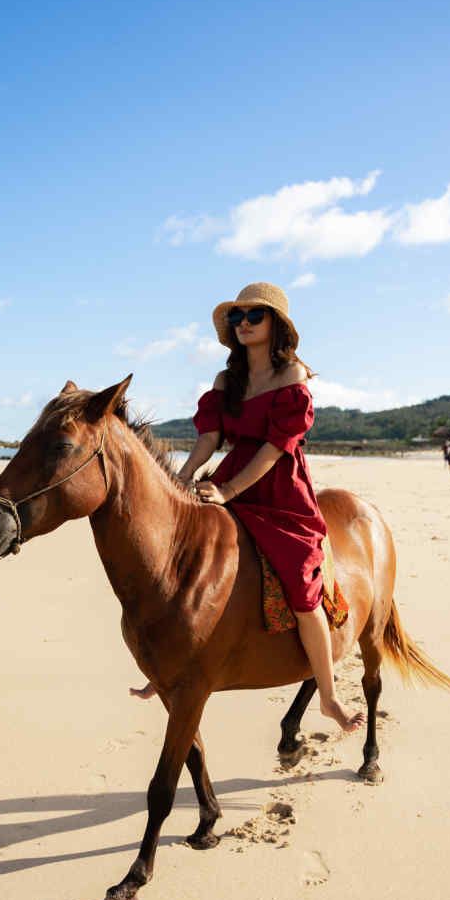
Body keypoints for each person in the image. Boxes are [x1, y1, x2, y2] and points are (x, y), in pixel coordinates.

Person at [130, 282, 363, 733]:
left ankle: (329, 696)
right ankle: (166, 667)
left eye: (254, 315)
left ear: (277, 324)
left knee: (302, 588)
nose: (243, 324)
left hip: (279, 490)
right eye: (236, 317)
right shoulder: (226, 382)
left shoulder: (292, 376)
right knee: (185, 562)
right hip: (230, 475)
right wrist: (183, 476)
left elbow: (276, 448)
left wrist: (229, 491)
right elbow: (209, 439)